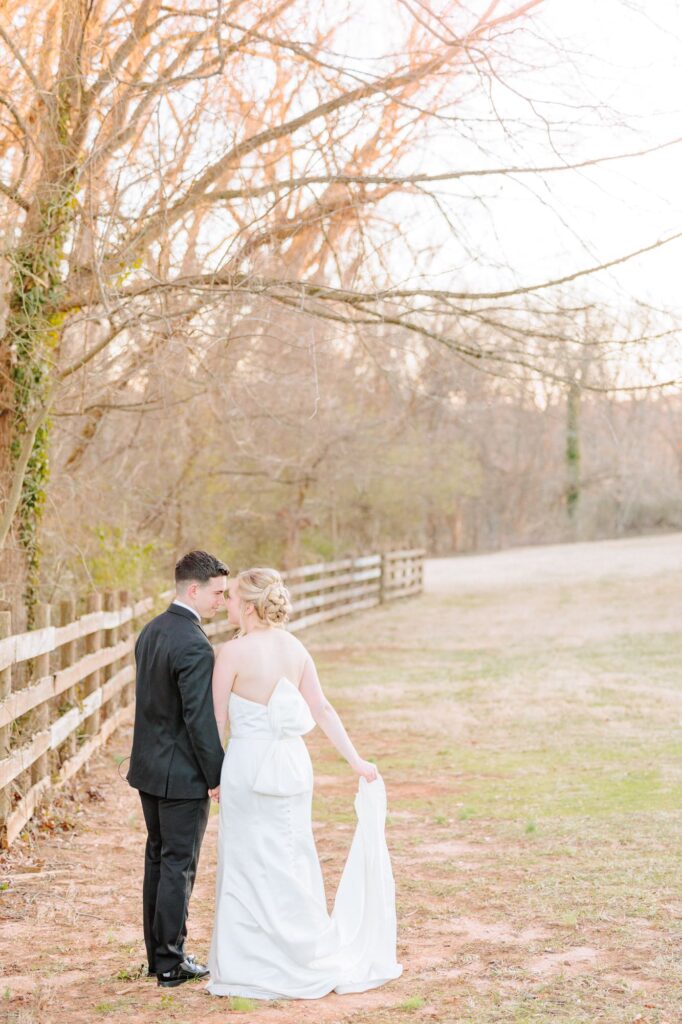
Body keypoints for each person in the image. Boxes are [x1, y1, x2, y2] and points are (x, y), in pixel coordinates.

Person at [207, 567, 402, 999]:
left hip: (247, 764)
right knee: (292, 854)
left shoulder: (231, 654)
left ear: (252, 606)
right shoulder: (295, 648)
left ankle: (250, 962)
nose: (228, 605)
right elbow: (323, 709)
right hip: (292, 765)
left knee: (247, 859)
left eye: (235, 598)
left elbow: (216, 720)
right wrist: (355, 760)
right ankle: (302, 948)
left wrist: (212, 774)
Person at [127, 550, 229, 987]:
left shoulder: (152, 631)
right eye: (218, 593)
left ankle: (158, 957)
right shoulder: (193, 643)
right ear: (194, 589)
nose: (222, 601)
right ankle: (171, 962)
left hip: (148, 769)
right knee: (177, 866)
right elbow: (198, 720)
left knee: (158, 859)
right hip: (181, 776)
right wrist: (218, 775)